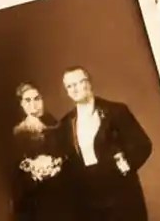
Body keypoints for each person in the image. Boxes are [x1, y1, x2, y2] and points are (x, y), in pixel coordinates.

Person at [57, 67, 151, 221]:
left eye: (78, 83)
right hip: (89, 197)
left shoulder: (116, 111)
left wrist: (125, 165)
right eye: (69, 86)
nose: (74, 89)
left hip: (120, 190)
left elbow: (143, 144)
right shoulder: (65, 123)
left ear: (88, 83)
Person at [10, 83, 75, 221]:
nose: (34, 105)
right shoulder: (19, 131)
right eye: (28, 101)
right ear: (21, 105)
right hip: (34, 190)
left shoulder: (55, 123)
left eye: (37, 99)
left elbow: (66, 152)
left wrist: (60, 162)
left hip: (61, 186)